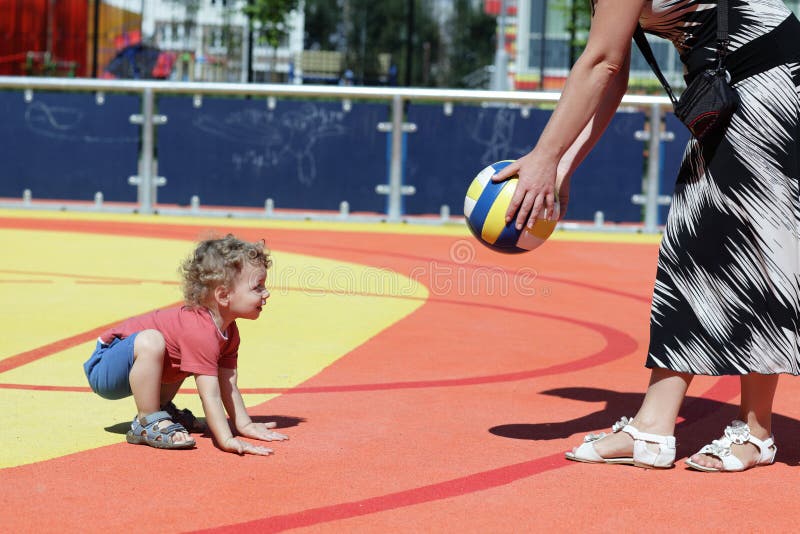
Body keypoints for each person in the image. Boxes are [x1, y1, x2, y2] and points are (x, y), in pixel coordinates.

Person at [493, 0, 800, 471]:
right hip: (751, 83)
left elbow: (601, 62)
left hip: (770, 81)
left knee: (733, 247)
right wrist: (562, 166)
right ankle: (671, 427)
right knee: (714, 248)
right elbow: (613, 72)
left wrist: (545, 157)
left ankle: (734, 431)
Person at [83, 234, 288, 455]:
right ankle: (148, 419)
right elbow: (210, 394)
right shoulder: (200, 331)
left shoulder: (228, 331)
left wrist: (244, 425)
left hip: (131, 366)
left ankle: (161, 408)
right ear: (223, 295)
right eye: (258, 287)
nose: (266, 293)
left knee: (182, 352)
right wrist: (226, 439)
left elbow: (228, 385)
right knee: (153, 341)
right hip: (106, 367)